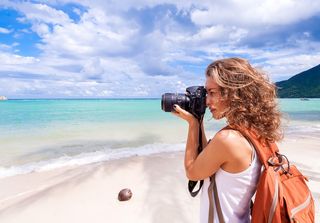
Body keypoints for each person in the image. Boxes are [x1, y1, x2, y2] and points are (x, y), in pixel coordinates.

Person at [172, 57, 283, 223]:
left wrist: (192, 125)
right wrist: (198, 120)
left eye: (212, 93)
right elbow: (206, 159)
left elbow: (193, 172)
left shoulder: (228, 139)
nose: (207, 101)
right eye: (206, 93)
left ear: (233, 93)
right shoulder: (254, 132)